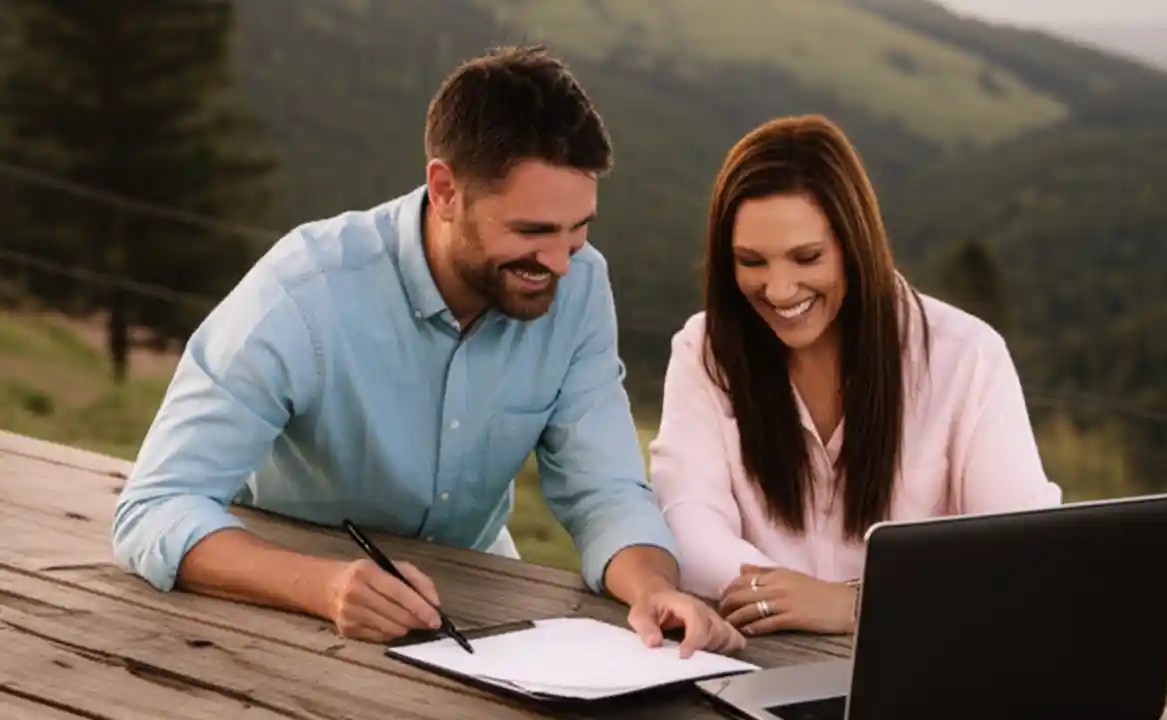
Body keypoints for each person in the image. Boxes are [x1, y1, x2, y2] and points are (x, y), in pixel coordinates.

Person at [112, 45, 744, 657]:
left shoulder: (580, 286)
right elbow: (153, 507)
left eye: (578, 229)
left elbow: (605, 489)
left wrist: (656, 590)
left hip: (471, 605)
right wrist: (326, 587)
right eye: (532, 232)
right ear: (444, 190)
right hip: (279, 602)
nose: (559, 261)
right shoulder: (303, 293)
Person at [648, 115, 1062, 637]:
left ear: (854, 244)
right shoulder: (704, 350)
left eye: (807, 257)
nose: (778, 290)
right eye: (752, 261)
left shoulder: (968, 357)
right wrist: (793, 599)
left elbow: (1021, 560)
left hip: (917, 669)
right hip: (755, 659)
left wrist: (855, 606)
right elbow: (687, 522)